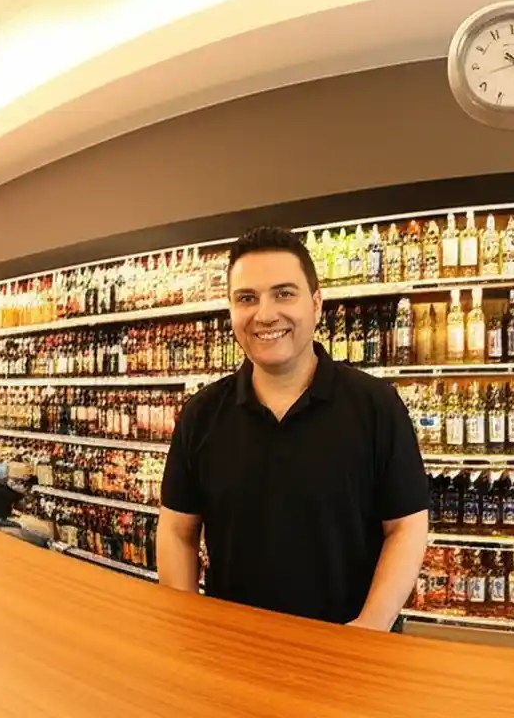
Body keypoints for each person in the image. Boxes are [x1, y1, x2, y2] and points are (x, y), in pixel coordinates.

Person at [157, 226, 428, 630]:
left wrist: (368, 630)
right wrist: (187, 624)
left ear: (317, 304)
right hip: (233, 648)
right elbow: (178, 531)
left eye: (284, 293)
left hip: (350, 653)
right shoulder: (200, 415)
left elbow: (406, 526)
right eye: (246, 298)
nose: (265, 314)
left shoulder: (376, 406)